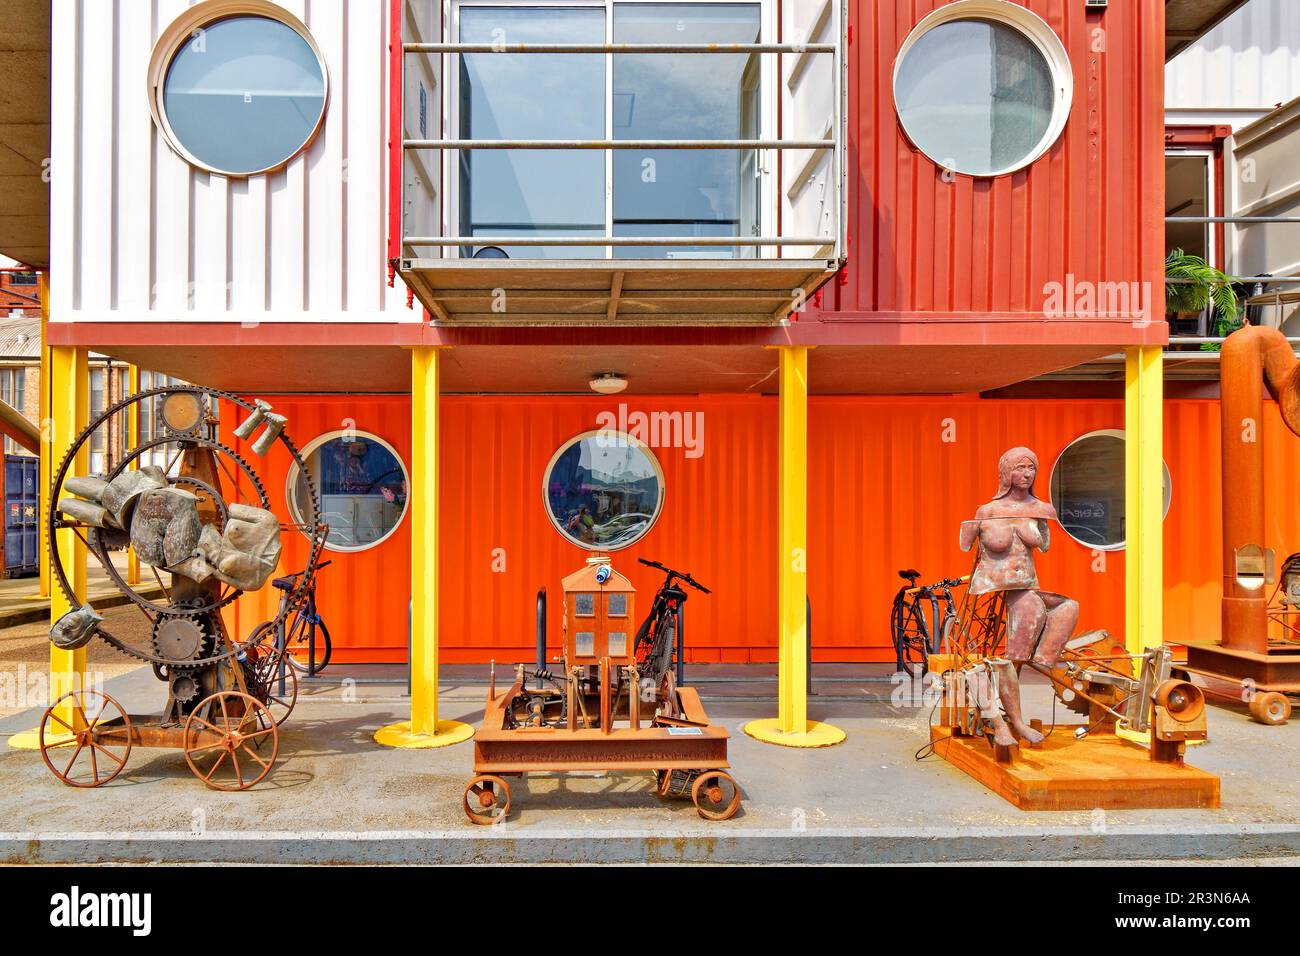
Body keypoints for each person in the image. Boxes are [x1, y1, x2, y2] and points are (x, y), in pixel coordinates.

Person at [959, 446, 1079, 746]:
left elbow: (1046, 545)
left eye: (1031, 468)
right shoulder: (987, 512)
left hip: (1024, 585)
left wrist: (1032, 528)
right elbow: (965, 545)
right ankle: (1011, 722)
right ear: (1005, 472)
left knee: (1067, 607)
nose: (1026, 474)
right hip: (990, 591)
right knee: (998, 661)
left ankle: (1044, 660)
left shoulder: (1041, 509)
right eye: (1020, 468)